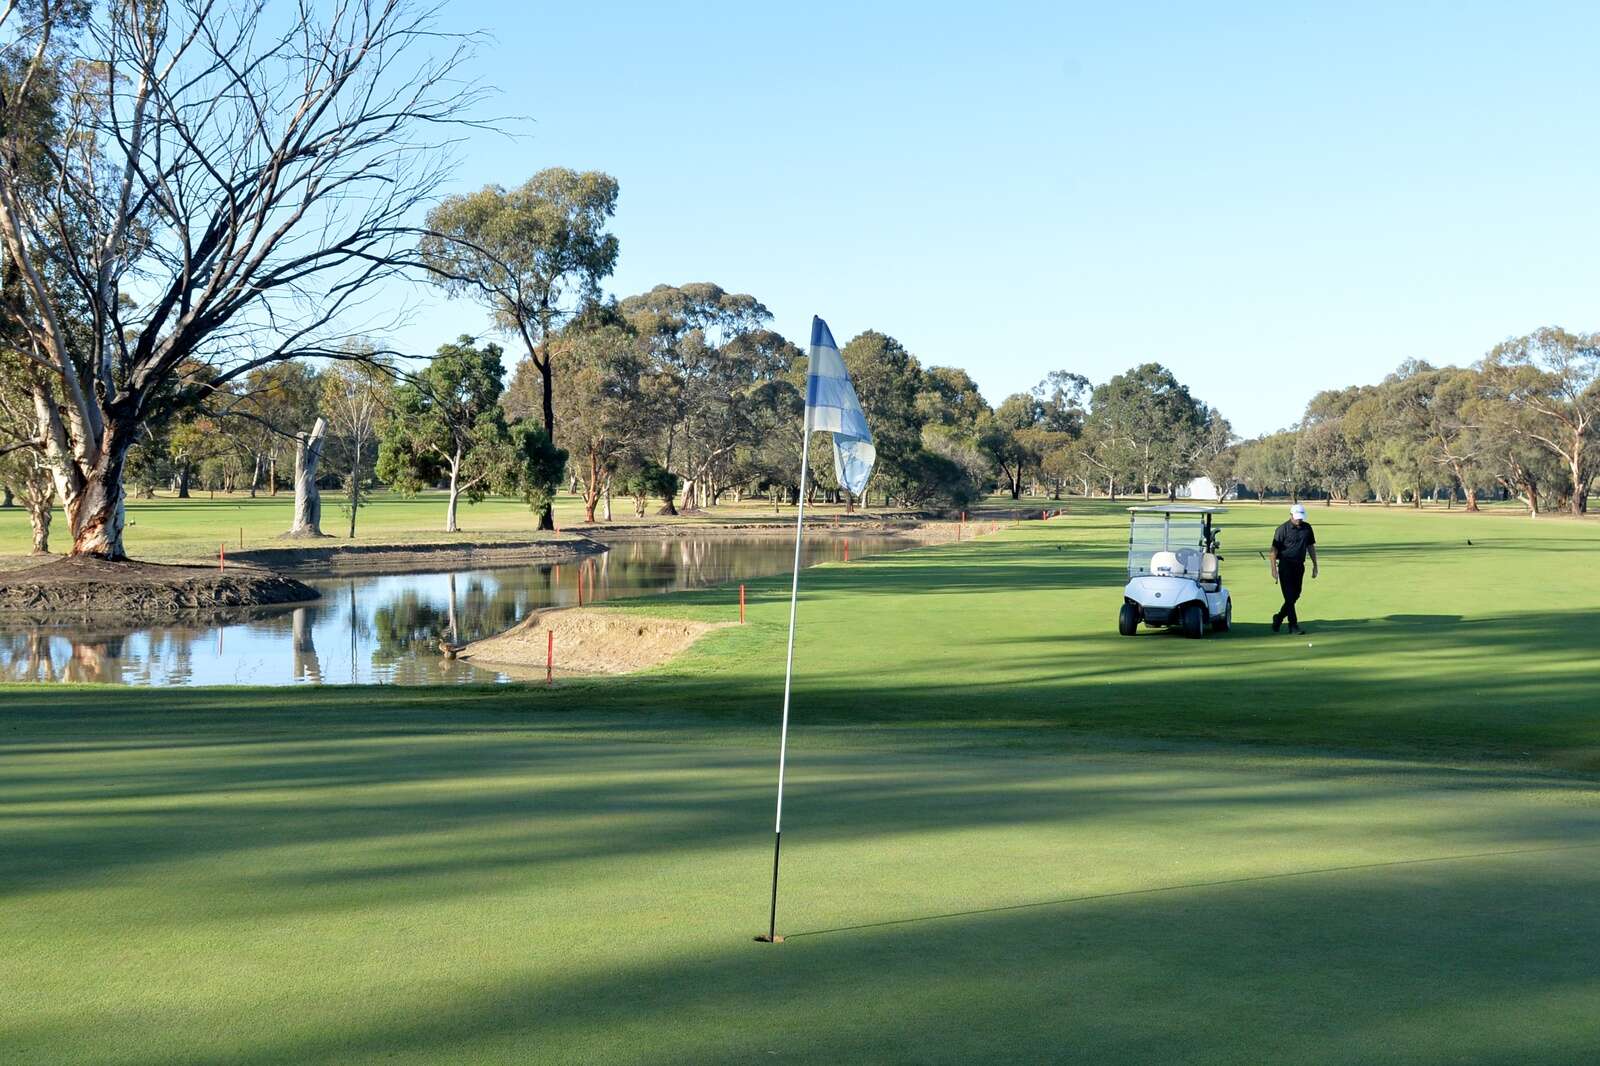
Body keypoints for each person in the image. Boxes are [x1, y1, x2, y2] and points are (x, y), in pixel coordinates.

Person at [1270, 503, 1319, 634]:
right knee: (1289, 596)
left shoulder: (1307, 528)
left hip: (1299, 566)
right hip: (1285, 566)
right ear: (1291, 515)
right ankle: (1293, 625)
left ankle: (1278, 617)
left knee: (1295, 595)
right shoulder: (1282, 529)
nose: (1299, 519)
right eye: (1297, 517)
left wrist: (1315, 565)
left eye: (1301, 517)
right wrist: (1274, 569)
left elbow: (1310, 547)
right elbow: (1273, 550)